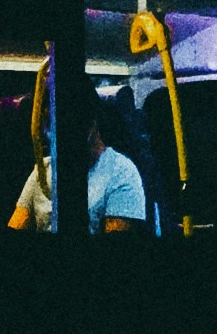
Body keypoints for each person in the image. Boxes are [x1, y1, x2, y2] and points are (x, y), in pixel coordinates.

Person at [13, 90, 153, 233]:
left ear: (89, 123)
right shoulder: (43, 169)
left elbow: (114, 247)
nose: (50, 134)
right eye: (50, 126)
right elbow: (16, 226)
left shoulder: (121, 172)